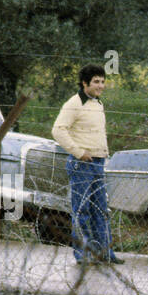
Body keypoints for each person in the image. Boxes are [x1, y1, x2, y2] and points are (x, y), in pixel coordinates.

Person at [52, 64, 119, 265]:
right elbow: (58, 130)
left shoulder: (98, 104)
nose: (101, 86)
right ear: (84, 83)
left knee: (100, 209)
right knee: (81, 210)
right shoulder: (74, 104)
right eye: (96, 82)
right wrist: (79, 152)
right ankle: (82, 254)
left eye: (102, 81)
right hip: (82, 164)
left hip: (98, 162)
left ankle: (105, 252)